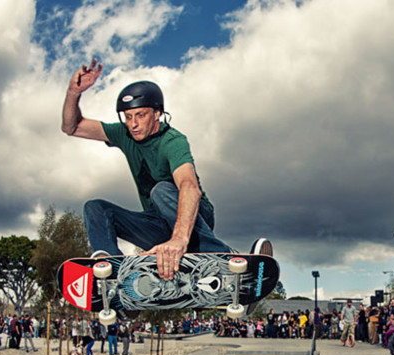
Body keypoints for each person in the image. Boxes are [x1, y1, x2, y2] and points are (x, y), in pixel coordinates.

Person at [62, 61, 270, 281]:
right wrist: (73, 93)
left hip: (194, 217)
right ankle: (114, 275)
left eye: (140, 115)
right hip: (158, 226)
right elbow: (71, 127)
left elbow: (189, 187)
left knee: (160, 191)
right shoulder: (124, 134)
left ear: (157, 113)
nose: (133, 124)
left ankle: (227, 258)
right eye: (128, 117)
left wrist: (179, 239)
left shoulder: (173, 141)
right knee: (95, 208)